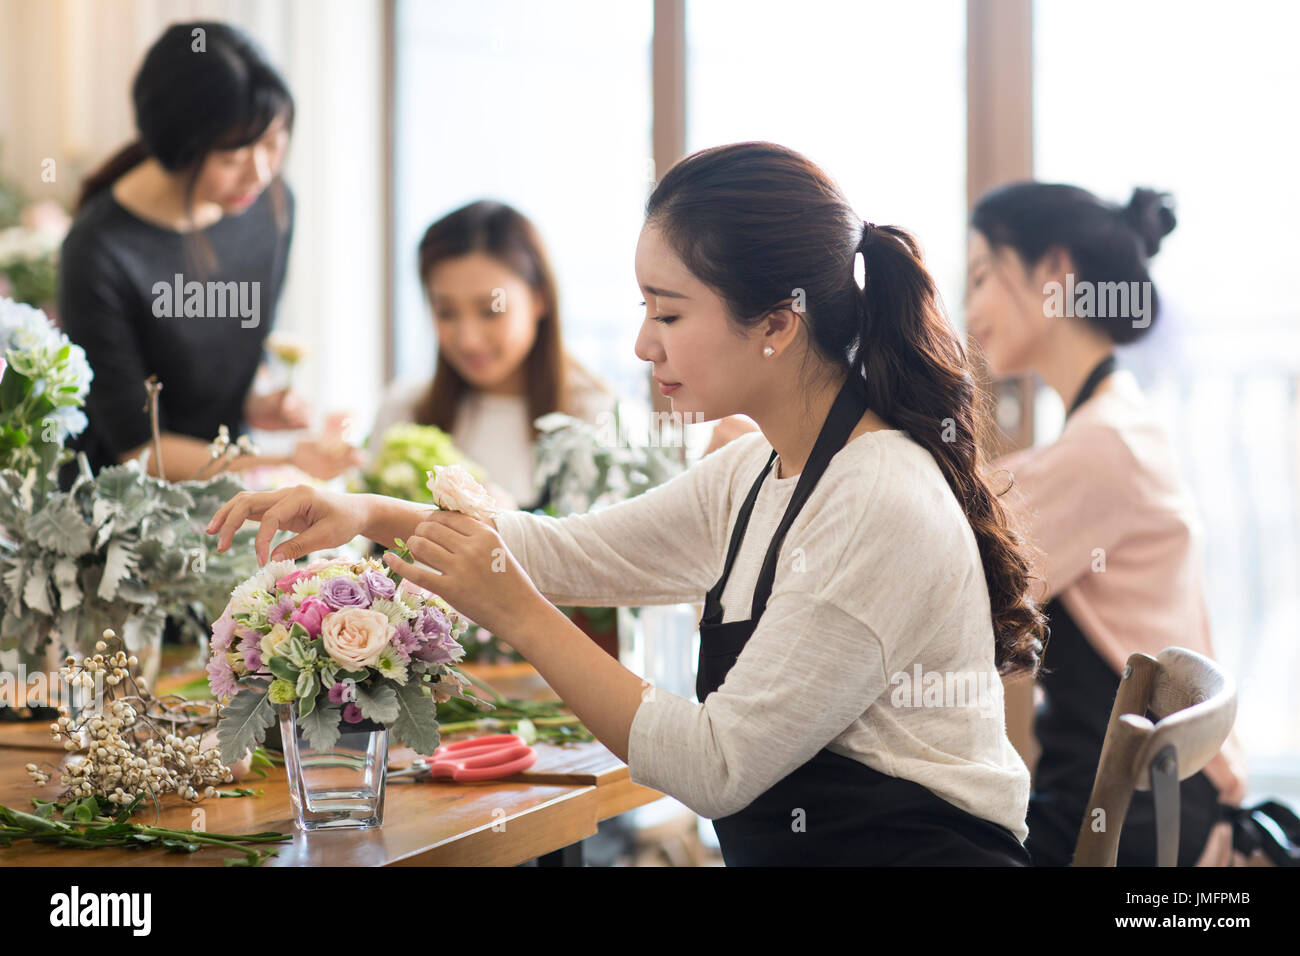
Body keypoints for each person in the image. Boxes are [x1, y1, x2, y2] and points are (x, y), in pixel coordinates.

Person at [208, 142, 1045, 866]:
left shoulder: (875, 503)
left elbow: (716, 766)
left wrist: (524, 618)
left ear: (777, 325)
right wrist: (369, 513)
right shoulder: (758, 471)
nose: (645, 343)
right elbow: (571, 554)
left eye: (668, 312)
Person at [966, 181, 1250, 866]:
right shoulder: (1111, 427)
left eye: (980, 278)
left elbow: (950, 570)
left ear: (1055, 272)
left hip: (1130, 819)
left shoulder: (1105, 445)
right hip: (1149, 799)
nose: (969, 312)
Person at [57, 21, 362, 487]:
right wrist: (283, 461)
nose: (259, 173)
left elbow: (242, 344)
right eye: (233, 158)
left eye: (272, 144)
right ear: (176, 150)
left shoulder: (272, 209)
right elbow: (140, 448)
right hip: (123, 507)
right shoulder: (98, 252)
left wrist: (257, 397)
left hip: (226, 490)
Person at [370, 201, 617, 510]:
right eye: (445, 312)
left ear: (539, 298)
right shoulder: (404, 409)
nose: (469, 340)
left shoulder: (595, 416)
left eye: (490, 311)